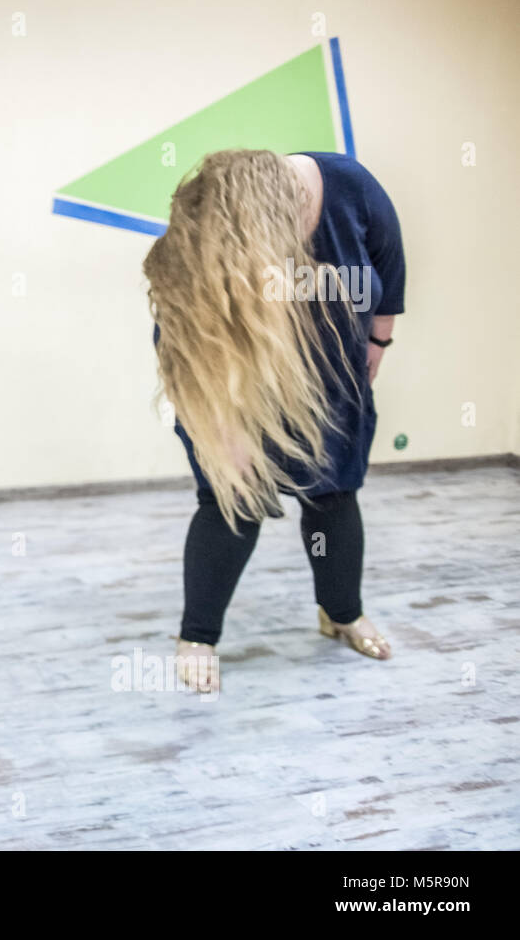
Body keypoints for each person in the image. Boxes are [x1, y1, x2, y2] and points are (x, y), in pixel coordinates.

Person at [144, 149, 405, 693]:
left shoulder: (349, 187)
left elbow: (389, 265)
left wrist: (380, 338)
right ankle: (198, 637)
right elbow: (183, 338)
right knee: (234, 503)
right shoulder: (208, 226)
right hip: (229, 383)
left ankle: (342, 614)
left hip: (332, 386)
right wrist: (222, 428)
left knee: (334, 497)